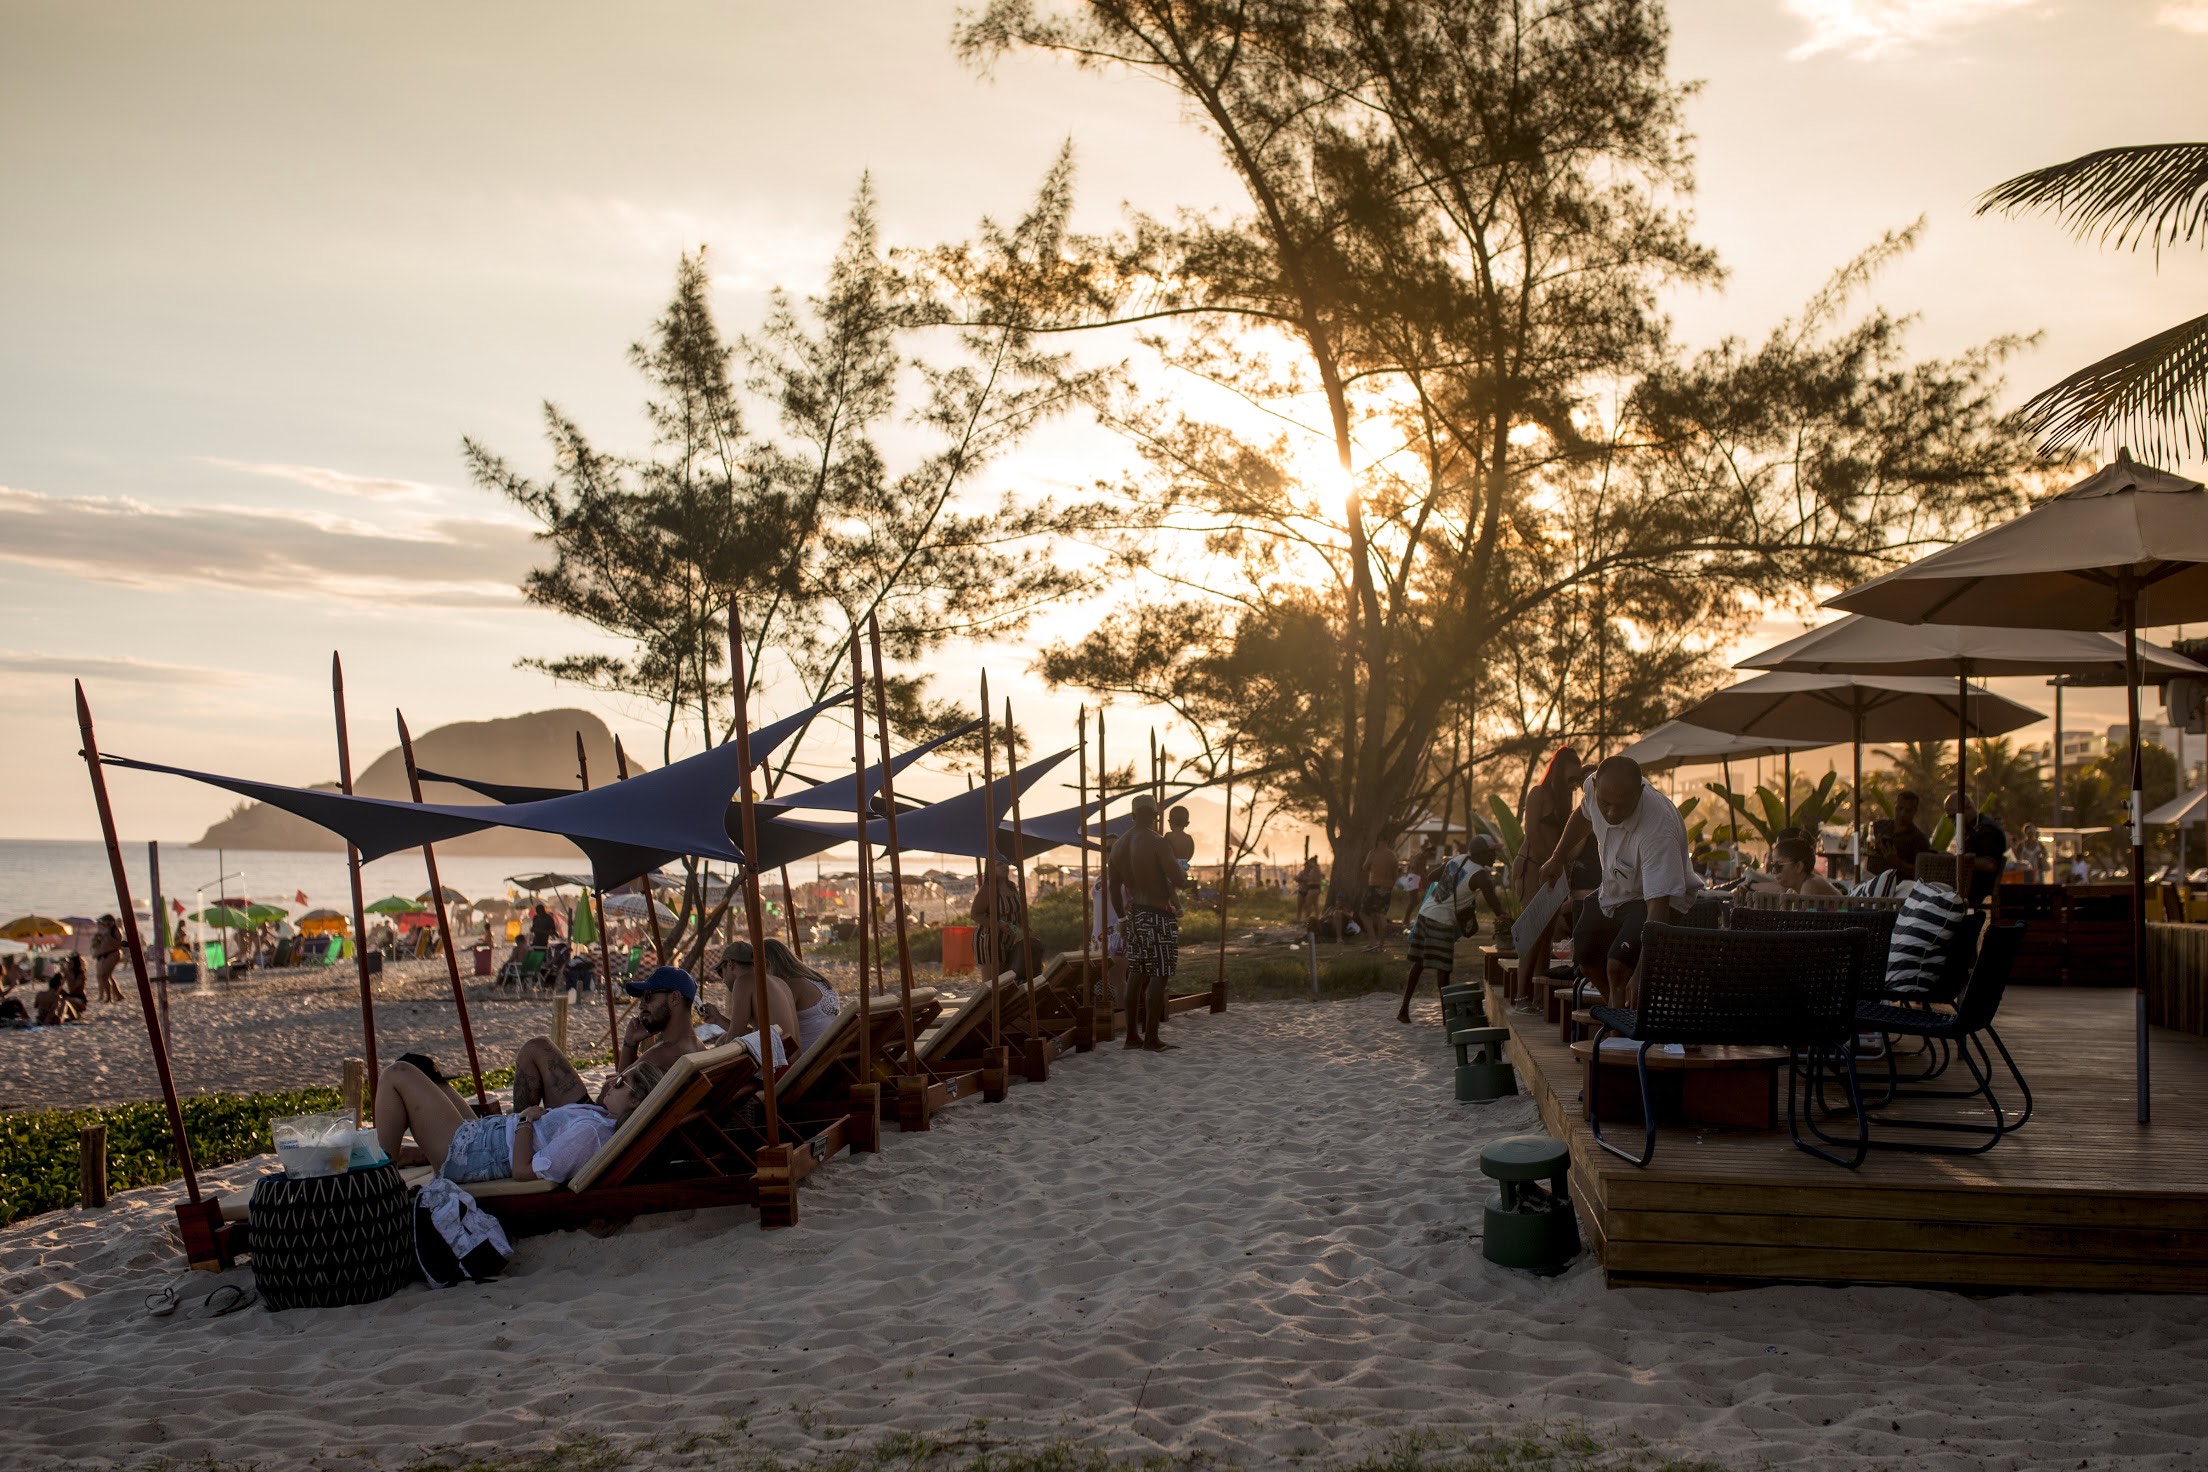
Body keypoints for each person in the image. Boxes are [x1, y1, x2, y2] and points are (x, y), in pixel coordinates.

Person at [1540, 755, 1696, 1012]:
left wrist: (1642, 973)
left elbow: (1658, 909)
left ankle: (1621, 1028)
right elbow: (1582, 815)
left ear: (1640, 793)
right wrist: (1557, 857)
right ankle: (1619, 1015)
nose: (1611, 813)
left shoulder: (1658, 830)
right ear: (1596, 785)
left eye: (1622, 806)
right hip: (1613, 889)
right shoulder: (1592, 787)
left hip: (1654, 898)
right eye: (1605, 803)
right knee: (1586, 958)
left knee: (1618, 968)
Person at [375, 1053, 651, 1188]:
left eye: (621, 1082)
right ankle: (393, 1160)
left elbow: (523, 1171)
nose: (612, 1081)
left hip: (475, 1156)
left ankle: (380, 1182)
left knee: (397, 1073)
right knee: (424, 1070)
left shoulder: (590, 1133)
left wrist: (525, 1121)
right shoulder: (601, 1117)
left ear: (637, 1101)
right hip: (487, 1137)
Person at [1397, 835, 1513, 1022]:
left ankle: (1404, 1010)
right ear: (1481, 854)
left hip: (1426, 913)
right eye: (1492, 852)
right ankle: (1447, 1017)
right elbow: (1496, 906)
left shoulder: (1458, 859)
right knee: (1443, 969)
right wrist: (1507, 919)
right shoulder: (1480, 875)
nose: (1495, 856)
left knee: (1419, 963)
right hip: (1441, 921)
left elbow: (1433, 876)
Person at [1109, 792, 1183, 1051]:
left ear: (1132, 815)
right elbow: (1178, 877)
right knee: (1159, 974)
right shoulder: (1158, 842)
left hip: (1135, 915)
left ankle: (1131, 1037)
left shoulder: (1118, 846)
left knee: (1137, 973)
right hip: (1159, 914)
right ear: (1156, 815)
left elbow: (1113, 889)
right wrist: (1181, 873)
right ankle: (1151, 1038)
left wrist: (1122, 918)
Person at [1512, 747, 1591, 983]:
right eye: (1571, 779)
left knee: (1547, 935)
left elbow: (1566, 844)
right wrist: (1552, 865)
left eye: (1577, 781)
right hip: (1532, 868)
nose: (1574, 784)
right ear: (1558, 772)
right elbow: (1533, 834)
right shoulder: (1538, 794)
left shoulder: (1565, 802)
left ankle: (1537, 993)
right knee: (1533, 932)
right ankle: (1521, 995)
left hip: (1553, 872)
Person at [720, 938, 840, 1052]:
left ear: (766, 964)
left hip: (809, 1057)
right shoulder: (813, 981)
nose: (755, 971)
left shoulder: (790, 986)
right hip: (830, 1050)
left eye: (755, 964)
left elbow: (763, 1033)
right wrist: (719, 1020)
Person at [1948, 792, 2009, 906]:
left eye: (1953, 816)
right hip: (1967, 885)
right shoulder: (1970, 829)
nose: (1952, 821)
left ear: (1968, 807)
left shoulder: (1987, 829)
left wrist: (1956, 860)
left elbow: (1990, 864)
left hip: (1977, 887)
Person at [1745, 836, 1840, 897]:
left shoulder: (1809, 886)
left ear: (1798, 866)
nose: (1773, 871)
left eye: (1778, 866)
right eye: (1773, 865)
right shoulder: (1795, 889)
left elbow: (1802, 924)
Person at [1360, 838, 1401, 952]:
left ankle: (1373, 942)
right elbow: (1395, 874)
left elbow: (1364, 867)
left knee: (1364, 913)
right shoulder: (1393, 855)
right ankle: (1381, 945)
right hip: (1388, 887)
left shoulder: (1373, 852)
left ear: (1377, 841)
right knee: (1381, 915)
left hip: (1375, 886)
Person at [1889, 790, 1931, 880]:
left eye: (1907, 811)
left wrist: (1896, 861)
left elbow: (1922, 872)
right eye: (1900, 808)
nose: (1902, 814)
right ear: (1895, 805)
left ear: (1914, 812)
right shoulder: (1879, 827)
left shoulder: (1919, 839)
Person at [1400, 837, 1436, 931]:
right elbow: (1422, 872)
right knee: (1414, 901)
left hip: (1412, 878)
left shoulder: (1419, 856)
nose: (1430, 856)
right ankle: (1406, 920)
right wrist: (1427, 884)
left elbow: (1422, 871)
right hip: (1413, 878)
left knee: (1415, 901)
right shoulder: (1421, 858)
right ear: (1426, 852)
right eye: (1431, 854)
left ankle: (1406, 919)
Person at [91, 916, 125, 1004]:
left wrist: (108, 937)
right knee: (106, 976)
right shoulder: (104, 931)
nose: (104, 924)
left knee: (104, 976)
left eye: (105, 922)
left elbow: (118, 944)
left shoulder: (116, 930)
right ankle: (118, 995)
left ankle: (109, 997)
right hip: (104, 955)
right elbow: (97, 945)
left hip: (113, 953)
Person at [1294, 856, 1323, 923]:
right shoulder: (1306, 871)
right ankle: (1301, 919)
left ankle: (1308, 919)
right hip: (1305, 890)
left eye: (1309, 863)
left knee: (1309, 904)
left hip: (1312, 889)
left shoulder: (1315, 869)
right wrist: (1299, 879)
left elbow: (1314, 879)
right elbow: (1298, 879)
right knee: (1303, 906)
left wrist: (1304, 879)